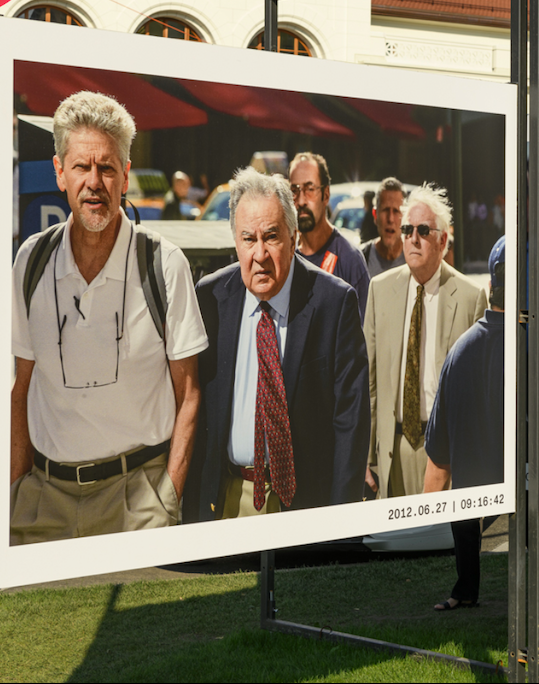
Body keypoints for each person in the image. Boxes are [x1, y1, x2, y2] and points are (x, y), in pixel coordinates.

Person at [10, 91, 207, 544]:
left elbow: (190, 394)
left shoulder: (163, 263)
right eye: (81, 166)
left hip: (137, 502)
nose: (94, 181)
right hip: (44, 503)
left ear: (125, 177)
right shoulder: (30, 262)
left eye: (107, 167)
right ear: (60, 173)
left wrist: (167, 498)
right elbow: (18, 388)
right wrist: (17, 490)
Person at [184, 169, 371, 519]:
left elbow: (351, 423)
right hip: (227, 500)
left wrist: (343, 522)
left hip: (305, 506)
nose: (259, 254)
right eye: (247, 239)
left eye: (271, 237)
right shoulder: (210, 299)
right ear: (235, 241)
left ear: (293, 236)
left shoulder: (334, 303)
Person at [423, 237, 539, 611]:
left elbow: (439, 455)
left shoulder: (458, 352)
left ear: (491, 286)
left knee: (464, 504)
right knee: (525, 498)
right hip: (522, 483)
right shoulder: (537, 346)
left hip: (470, 490)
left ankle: (465, 590)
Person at [364, 184, 487, 499]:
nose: (413, 238)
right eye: (407, 229)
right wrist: (365, 458)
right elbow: (370, 386)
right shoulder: (379, 290)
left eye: (422, 230)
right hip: (393, 449)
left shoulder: (471, 298)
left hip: (443, 453)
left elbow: (478, 396)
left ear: (443, 240)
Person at [289, 152, 371, 320]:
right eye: (295, 190)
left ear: (326, 195)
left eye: (310, 189)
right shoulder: (287, 258)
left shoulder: (349, 259)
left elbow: (365, 333)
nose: (301, 201)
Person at [361, 177, 407, 279]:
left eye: (396, 211)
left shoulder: (415, 259)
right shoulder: (361, 260)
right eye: (385, 210)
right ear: (375, 215)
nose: (390, 219)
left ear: (405, 217)